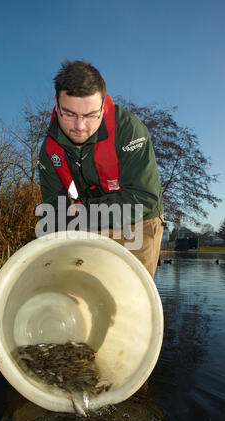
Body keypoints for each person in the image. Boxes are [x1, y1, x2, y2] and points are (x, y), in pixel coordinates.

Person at [36, 60, 164, 278]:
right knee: (80, 290)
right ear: (56, 105)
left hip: (138, 221)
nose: (79, 126)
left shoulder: (129, 130)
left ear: (103, 106)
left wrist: (80, 214)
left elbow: (146, 199)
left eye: (90, 115)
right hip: (88, 221)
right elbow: (53, 210)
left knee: (128, 299)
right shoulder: (50, 151)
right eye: (69, 114)